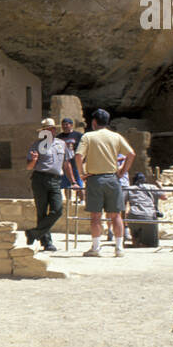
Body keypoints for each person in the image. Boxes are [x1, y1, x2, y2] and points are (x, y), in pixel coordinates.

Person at [74, 108, 135, 257]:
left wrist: (81, 174)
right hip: (113, 179)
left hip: (94, 179)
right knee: (116, 216)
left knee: (95, 216)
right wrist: (122, 171)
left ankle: (96, 248)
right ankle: (119, 248)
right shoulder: (115, 136)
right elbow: (131, 154)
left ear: (94, 122)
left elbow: (78, 155)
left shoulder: (88, 136)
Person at [24, 118, 73, 251]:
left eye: (51, 129)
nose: (50, 131)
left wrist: (73, 181)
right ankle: (47, 243)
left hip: (56, 179)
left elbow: (66, 164)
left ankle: (33, 233)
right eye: (46, 129)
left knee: (57, 210)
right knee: (41, 211)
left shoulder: (62, 144)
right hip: (40, 178)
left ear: (54, 130)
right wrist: (34, 160)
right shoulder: (36, 145)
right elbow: (29, 166)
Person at [125, 172, 167, 248]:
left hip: (133, 215)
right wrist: (160, 186)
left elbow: (123, 204)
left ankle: (136, 242)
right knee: (152, 245)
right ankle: (143, 244)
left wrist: (124, 218)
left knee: (135, 230)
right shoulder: (151, 187)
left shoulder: (129, 189)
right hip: (148, 215)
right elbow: (164, 197)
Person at [56, 117, 85, 202]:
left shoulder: (78, 135)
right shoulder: (59, 137)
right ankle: (68, 202)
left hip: (75, 161)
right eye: (63, 125)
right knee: (66, 183)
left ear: (71, 125)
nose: (64, 126)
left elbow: (83, 147)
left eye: (66, 124)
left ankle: (82, 200)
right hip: (64, 162)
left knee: (78, 182)